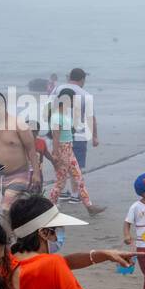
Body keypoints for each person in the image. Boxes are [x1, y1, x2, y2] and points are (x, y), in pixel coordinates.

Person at [44, 88, 106, 215]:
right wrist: (55, 154)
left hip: (68, 149)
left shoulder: (64, 114)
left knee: (79, 178)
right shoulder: (56, 117)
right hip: (62, 150)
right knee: (61, 182)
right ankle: (50, 207)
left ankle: (89, 206)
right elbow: (56, 137)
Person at [0, 92, 41, 219]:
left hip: (20, 174)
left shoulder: (19, 125)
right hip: (1, 177)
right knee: (15, 210)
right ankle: (18, 235)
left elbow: (31, 150)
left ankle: (9, 238)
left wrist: (36, 173)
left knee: (5, 208)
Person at [53, 68, 97, 199]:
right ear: (82, 79)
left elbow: (48, 108)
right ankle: (74, 194)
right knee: (75, 165)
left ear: (70, 77)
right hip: (78, 134)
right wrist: (95, 136)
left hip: (58, 133)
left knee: (62, 164)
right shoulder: (85, 95)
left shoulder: (58, 89)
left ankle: (61, 192)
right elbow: (91, 117)